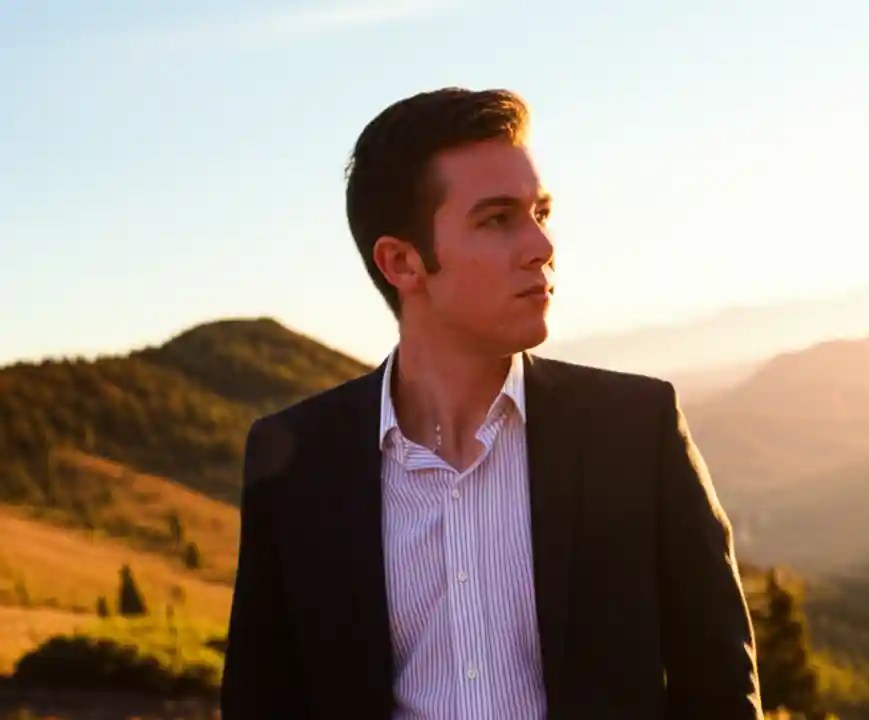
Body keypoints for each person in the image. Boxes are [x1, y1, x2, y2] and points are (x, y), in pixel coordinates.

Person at [219, 88, 762, 719]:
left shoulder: (635, 431)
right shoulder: (298, 462)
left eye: (541, 212)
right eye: (497, 219)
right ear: (402, 262)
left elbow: (720, 688)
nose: (541, 246)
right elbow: (263, 699)